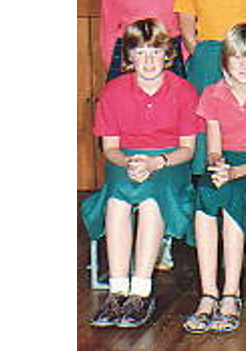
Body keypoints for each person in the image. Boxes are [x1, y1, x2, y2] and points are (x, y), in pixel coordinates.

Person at [83, 19, 200, 329]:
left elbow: (187, 149)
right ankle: (118, 289)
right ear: (129, 56)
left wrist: (156, 162)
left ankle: (141, 291)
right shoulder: (113, 91)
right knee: (117, 201)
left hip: (169, 163)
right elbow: (109, 148)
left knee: (150, 199)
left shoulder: (184, 91)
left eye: (156, 51)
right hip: (125, 162)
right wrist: (131, 163)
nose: (148, 60)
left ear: (167, 55)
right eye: (141, 52)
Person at [184, 24, 246, 334]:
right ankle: (208, 292)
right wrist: (219, 167)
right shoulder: (212, 94)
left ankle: (231, 293)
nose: (244, 65)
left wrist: (235, 173)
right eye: (237, 58)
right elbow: (213, 150)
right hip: (225, 163)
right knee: (205, 196)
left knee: (232, 200)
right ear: (225, 60)